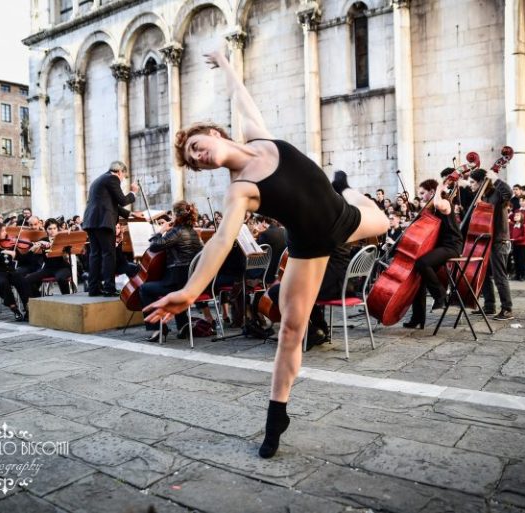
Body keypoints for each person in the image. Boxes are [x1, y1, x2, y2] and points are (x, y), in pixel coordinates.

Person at [142, 48, 389, 459]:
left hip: (345, 218)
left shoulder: (259, 136)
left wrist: (225, 64)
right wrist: (189, 292)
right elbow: (221, 242)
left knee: (381, 219)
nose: (199, 157)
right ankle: (277, 419)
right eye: (194, 161)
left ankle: (344, 186)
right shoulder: (240, 189)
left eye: (198, 147)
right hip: (310, 248)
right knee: (292, 330)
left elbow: (241, 95)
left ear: (215, 134)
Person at [403, 178, 463, 329]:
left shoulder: (445, 203)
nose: (421, 197)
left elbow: (437, 202)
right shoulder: (432, 208)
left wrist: (440, 188)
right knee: (418, 277)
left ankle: (440, 295)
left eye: (423, 193)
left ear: (432, 192)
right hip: (440, 247)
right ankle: (418, 317)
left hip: (451, 246)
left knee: (421, 263)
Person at [139, 200, 203, 342]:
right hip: (190, 282)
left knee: (145, 289)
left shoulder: (176, 232)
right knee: (173, 289)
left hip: (176, 281)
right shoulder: (193, 233)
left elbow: (155, 246)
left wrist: (160, 232)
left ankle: (157, 329)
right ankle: (183, 324)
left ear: (177, 216)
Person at [82, 161, 138, 296]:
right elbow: (123, 200)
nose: (123, 179)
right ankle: (109, 288)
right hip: (103, 222)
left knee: (95, 255)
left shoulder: (99, 179)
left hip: (91, 221)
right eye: (123, 176)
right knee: (109, 255)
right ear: (120, 172)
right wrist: (133, 192)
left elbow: (111, 204)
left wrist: (130, 214)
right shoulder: (112, 178)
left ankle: (94, 288)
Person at [468, 168, 514, 320]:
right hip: (488, 240)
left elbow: (509, 193)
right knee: (485, 275)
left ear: (482, 182)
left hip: (499, 240)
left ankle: (507, 309)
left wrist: (495, 179)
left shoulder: (497, 194)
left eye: (473, 182)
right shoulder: (485, 196)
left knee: (500, 276)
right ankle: (489, 306)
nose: (471, 185)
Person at [0, 222, 29, 321]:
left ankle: (28, 308)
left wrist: (21, 252)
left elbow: (21, 258)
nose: (5, 233)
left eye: (5, 230)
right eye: (2, 231)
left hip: (10, 271)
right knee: (3, 283)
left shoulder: (10, 243)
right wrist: (1, 253)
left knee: (22, 281)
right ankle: (15, 309)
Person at [510, 211, 525, 281]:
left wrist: (515, 239)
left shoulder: (524, 226)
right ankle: (517, 275)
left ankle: (522, 275)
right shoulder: (513, 225)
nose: (515, 217)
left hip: (522, 246)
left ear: (521, 217)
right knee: (516, 261)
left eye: (518, 216)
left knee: (521, 261)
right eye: (515, 216)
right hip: (515, 245)